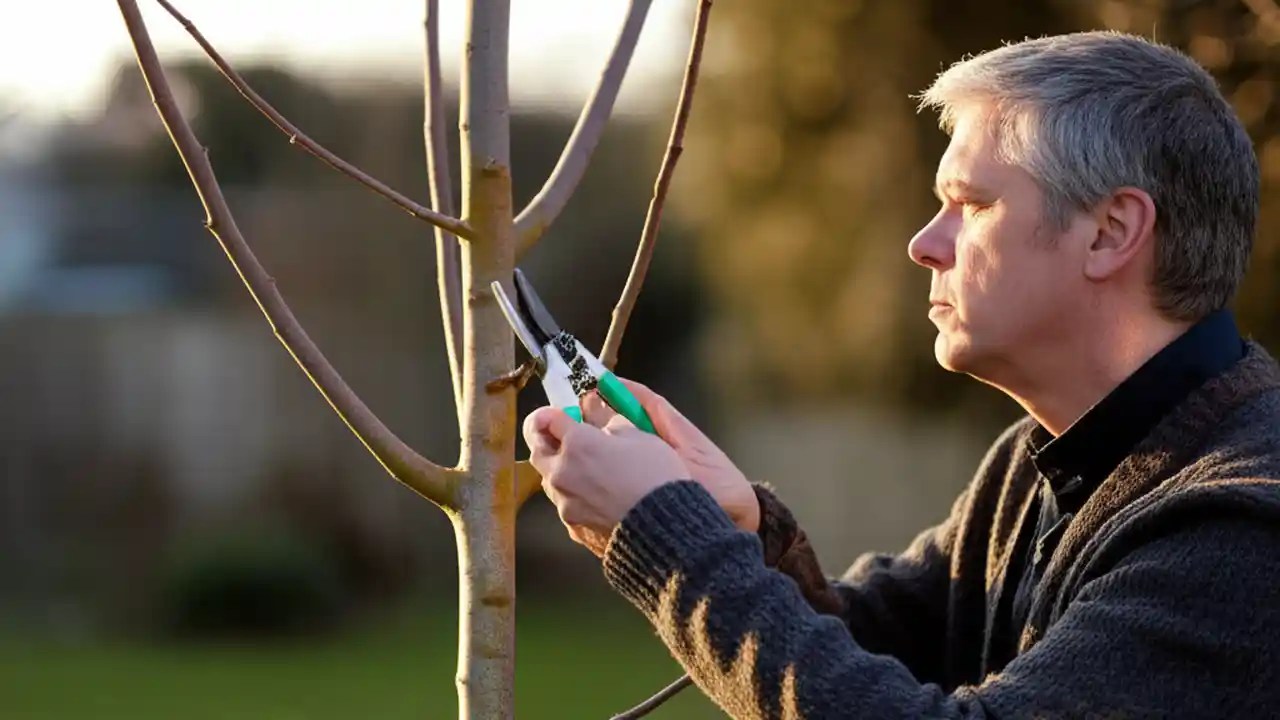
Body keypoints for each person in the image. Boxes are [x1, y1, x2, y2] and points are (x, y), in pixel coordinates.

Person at [524, 31, 1280, 718]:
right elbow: (874, 655)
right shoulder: (1035, 464)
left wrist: (669, 539)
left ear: (1111, 233)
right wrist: (737, 530)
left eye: (970, 204)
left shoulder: (1239, 531)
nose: (924, 243)